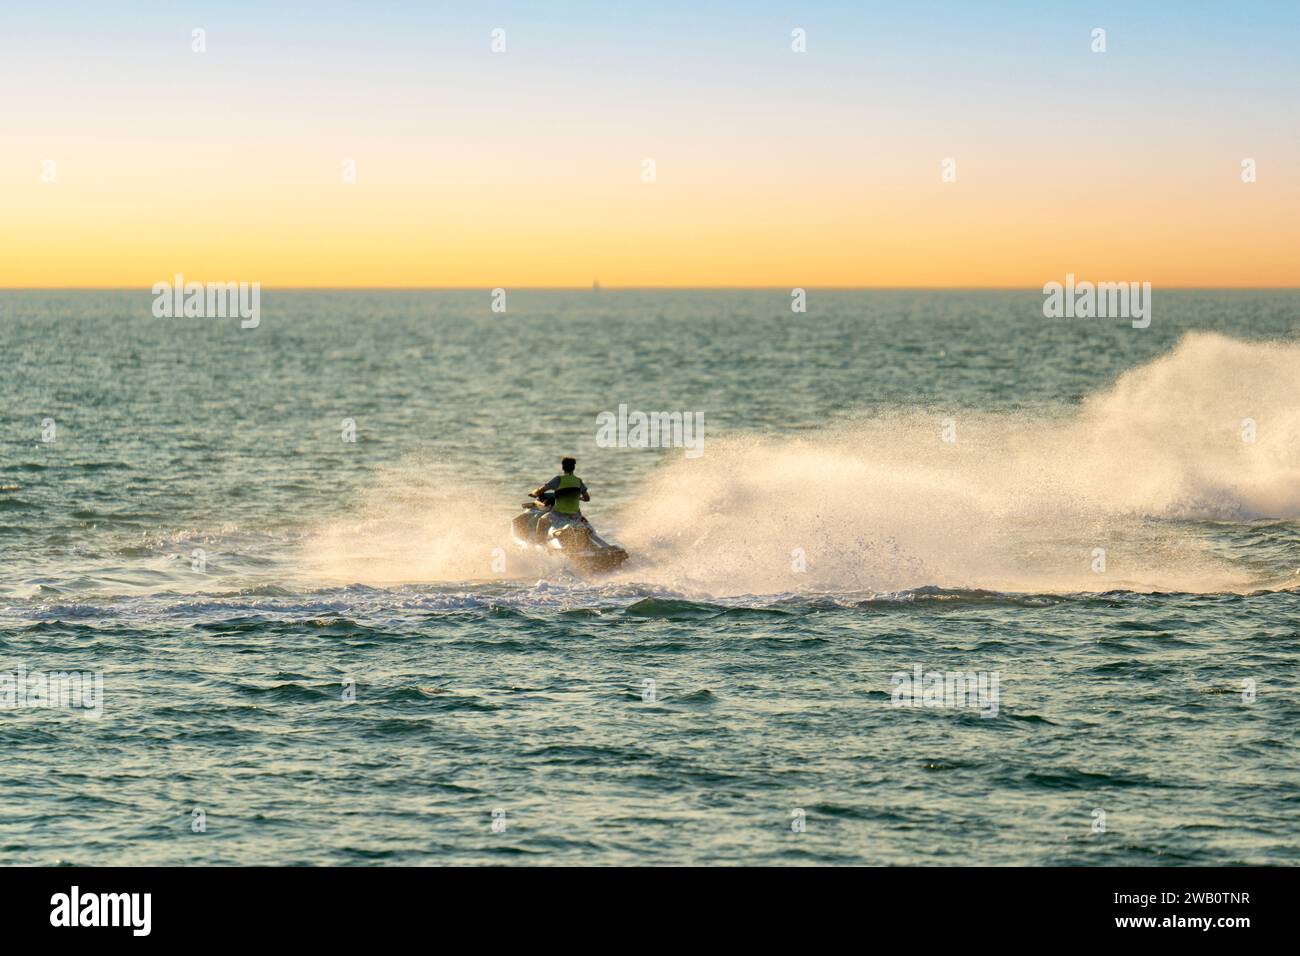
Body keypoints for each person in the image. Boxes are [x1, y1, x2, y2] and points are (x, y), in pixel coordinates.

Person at [531, 457, 590, 540]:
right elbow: (587, 498)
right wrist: (579, 497)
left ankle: (539, 543)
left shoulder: (558, 479)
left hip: (559, 514)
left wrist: (534, 492)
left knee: (542, 521)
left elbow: (539, 491)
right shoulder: (578, 481)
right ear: (574, 467)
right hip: (575, 515)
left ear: (563, 467)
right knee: (583, 519)